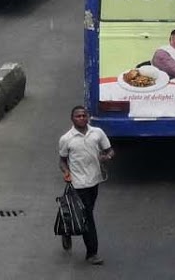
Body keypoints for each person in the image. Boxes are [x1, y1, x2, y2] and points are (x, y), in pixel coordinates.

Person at [57, 106, 112, 265]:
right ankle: (92, 253)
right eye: (78, 116)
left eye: (84, 115)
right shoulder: (66, 139)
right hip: (77, 183)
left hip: (94, 181)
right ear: (72, 119)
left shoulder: (97, 133)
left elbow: (110, 151)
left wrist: (106, 157)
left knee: (85, 214)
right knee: (88, 216)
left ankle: (66, 230)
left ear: (88, 117)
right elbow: (62, 161)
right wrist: (66, 172)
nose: (81, 118)